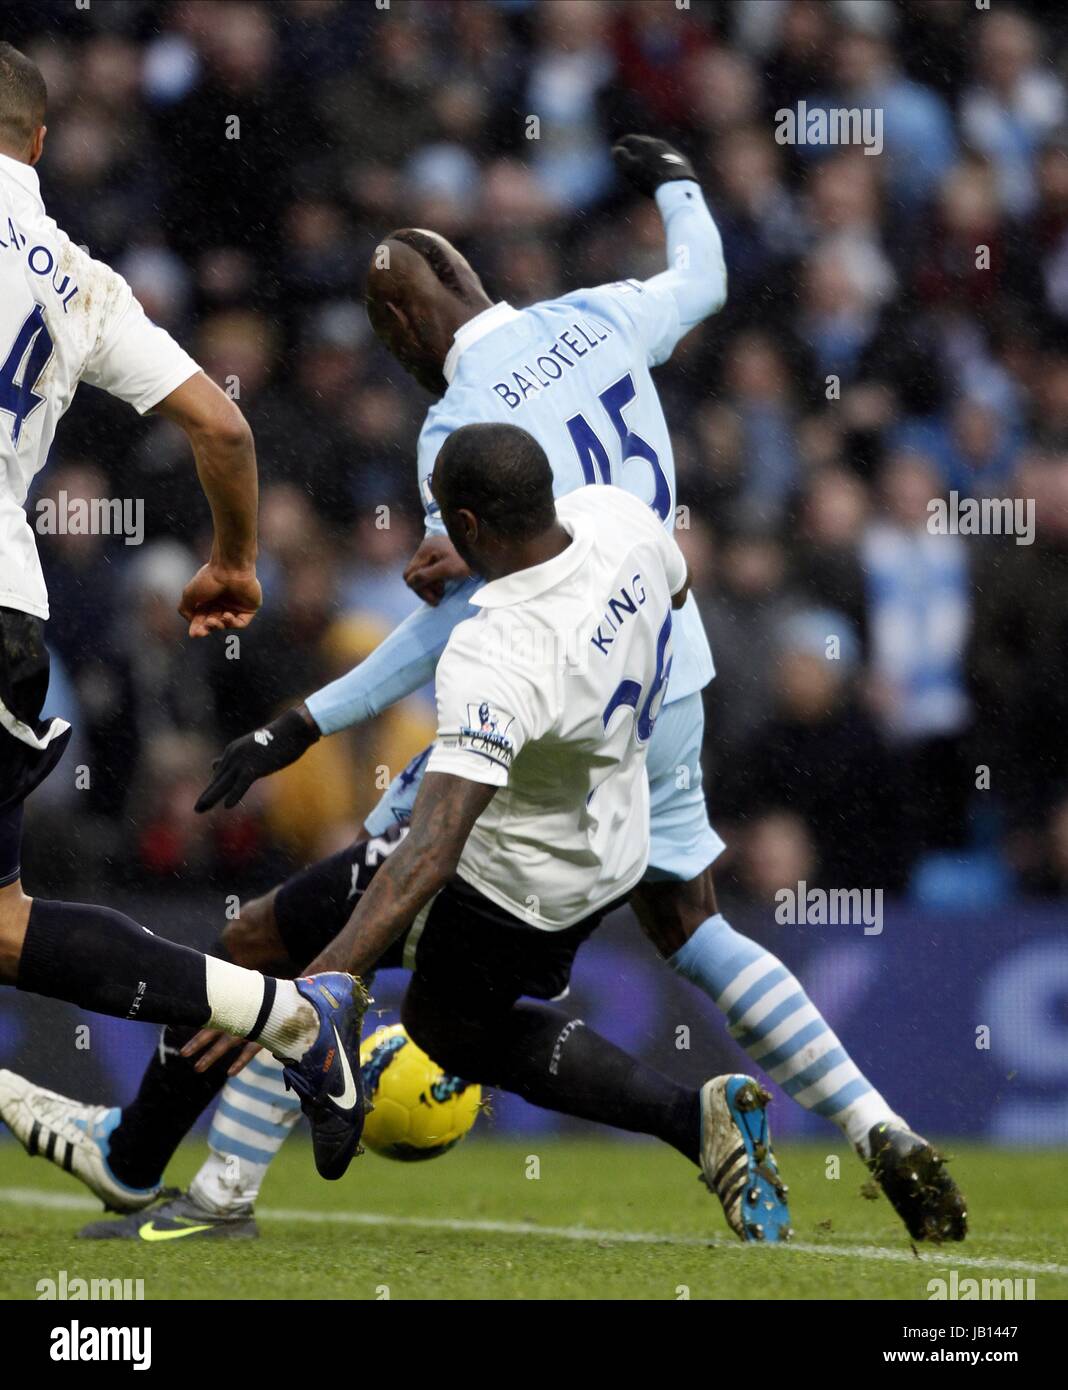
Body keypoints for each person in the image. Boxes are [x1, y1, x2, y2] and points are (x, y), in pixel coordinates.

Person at [8, 134, 965, 1245]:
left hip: (542, 702)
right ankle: (870, 1117)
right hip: (664, 658)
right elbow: (705, 279)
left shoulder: (451, 436)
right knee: (694, 925)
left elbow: (475, 626)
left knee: (329, 916)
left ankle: (209, 1179)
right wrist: (679, 181)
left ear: (401, 331)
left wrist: (306, 717)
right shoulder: (596, 323)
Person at [10, 424, 794, 1245]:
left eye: (443, 528)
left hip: (503, 875)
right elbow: (676, 587)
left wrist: (321, 995)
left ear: (468, 524)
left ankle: (178, 1179)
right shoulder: (620, 519)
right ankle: (692, 1119)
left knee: (294, 964)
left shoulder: (499, 649)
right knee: (403, 1004)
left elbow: (432, 850)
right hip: (604, 850)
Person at [0, 41, 366, 1180]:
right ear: (43, 144)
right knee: (5, 924)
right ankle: (292, 1018)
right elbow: (226, 428)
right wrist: (238, 561)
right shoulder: (75, 276)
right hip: (12, 614)